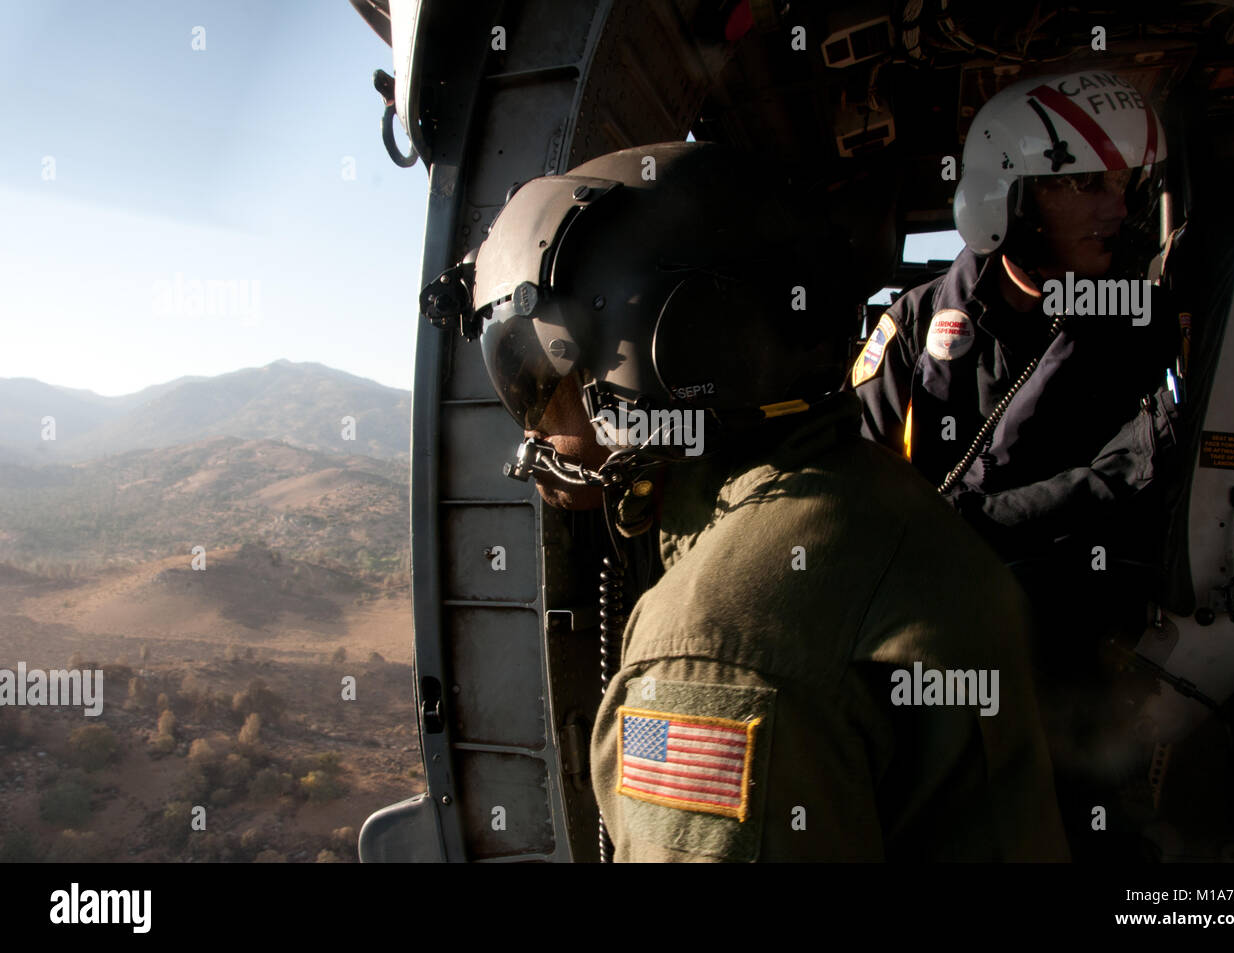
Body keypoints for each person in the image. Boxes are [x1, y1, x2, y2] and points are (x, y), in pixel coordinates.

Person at [440, 141, 1068, 860]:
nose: (539, 423)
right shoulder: (873, 495)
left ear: (673, 355)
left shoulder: (709, 650)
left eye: (547, 380)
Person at [853, 69, 1184, 858]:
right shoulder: (913, 327)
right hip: (925, 674)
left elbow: (1137, 482)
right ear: (1012, 197)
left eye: (1122, 185)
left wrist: (969, 523)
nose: (1118, 208)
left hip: (1079, 679)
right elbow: (861, 505)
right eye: (1085, 187)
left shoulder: (1140, 326)